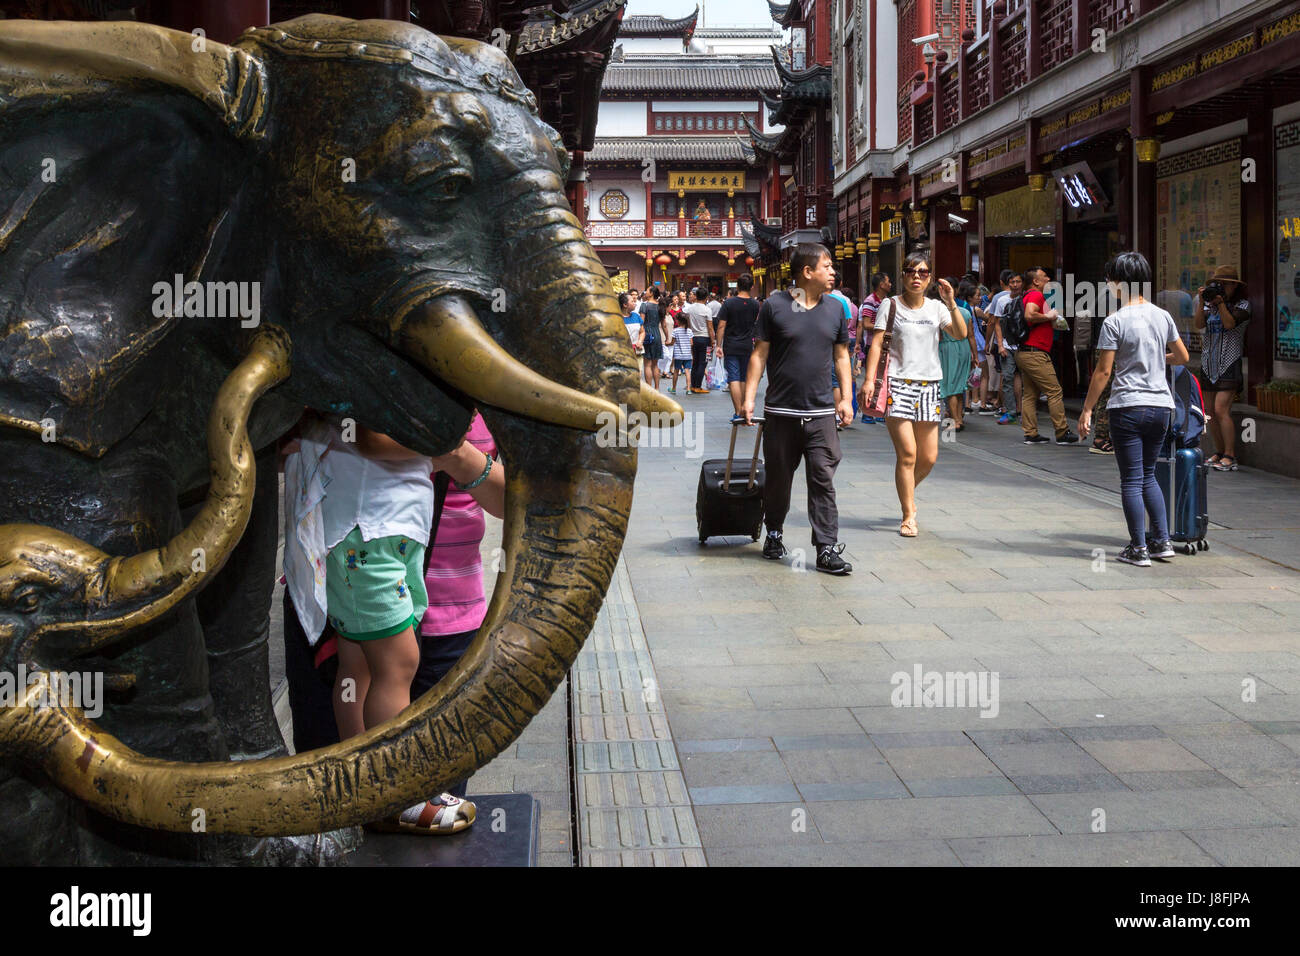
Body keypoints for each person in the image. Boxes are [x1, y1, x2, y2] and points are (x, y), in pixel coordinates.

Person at [319, 419, 475, 834]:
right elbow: (371, 438)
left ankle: (363, 788)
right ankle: (397, 795)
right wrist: (442, 441)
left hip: (378, 532)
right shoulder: (364, 368)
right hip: (370, 534)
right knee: (398, 664)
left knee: (359, 666)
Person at [743, 243, 854, 575]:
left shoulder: (836, 309)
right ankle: (774, 532)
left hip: (821, 413)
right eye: (828, 266)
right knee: (778, 480)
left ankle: (826, 548)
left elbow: (842, 357)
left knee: (822, 478)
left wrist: (845, 399)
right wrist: (749, 398)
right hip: (781, 412)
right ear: (807, 272)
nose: (833, 271)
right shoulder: (774, 307)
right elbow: (759, 355)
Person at [413, 410, 505, 801]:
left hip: (455, 616)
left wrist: (457, 456)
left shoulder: (490, 395)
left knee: (443, 789)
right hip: (360, 610)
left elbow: (513, 498)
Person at [1079, 252, 1191, 566]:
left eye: (1109, 279)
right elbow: (1181, 357)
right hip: (1160, 407)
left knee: (1130, 480)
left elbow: (1103, 372)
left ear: (1119, 283)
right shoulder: (1162, 315)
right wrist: (1157, 360)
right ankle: (1162, 542)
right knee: (1149, 476)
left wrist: (1087, 410)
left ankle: (1138, 548)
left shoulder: (1114, 321)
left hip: (1127, 406)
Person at [861, 251, 967, 537]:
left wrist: (951, 302)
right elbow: (876, 344)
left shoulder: (936, 308)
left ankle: (905, 489)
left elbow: (960, 333)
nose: (916, 277)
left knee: (929, 457)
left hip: (930, 386)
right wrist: (869, 380)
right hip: (898, 384)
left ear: (930, 277)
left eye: (922, 272)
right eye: (911, 271)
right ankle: (908, 514)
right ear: (903, 275)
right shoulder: (890, 305)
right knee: (908, 454)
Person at [1193, 264, 1250, 471]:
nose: (1222, 288)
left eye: (1226, 285)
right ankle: (1218, 451)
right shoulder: (1209, 307)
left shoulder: (1243, 306)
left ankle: (1230, 455)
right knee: (1209, 411)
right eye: (1219, 285)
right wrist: (1202, 302)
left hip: (1229, 362)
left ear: (1235, 286)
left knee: (1221, 409)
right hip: (1209, 363)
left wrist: (1222, 303)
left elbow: (1229, 324)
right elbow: (1199, 324)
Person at [1017, 266, 1079, 445]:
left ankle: (1031, 433)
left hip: (1026, 352)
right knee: (1054, 391)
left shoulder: (1026, 295)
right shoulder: (1036, 295)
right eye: (1045, 277)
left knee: (1029, 394)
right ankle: (1062, 432)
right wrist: (1050, 316)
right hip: (1035, 353)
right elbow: (1030, 315)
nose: (1048, 280)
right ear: (1036, 281)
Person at [715, 273, 761, 423]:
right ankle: (744, 409)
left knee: (733, 378)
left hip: (731, 344)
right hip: (748, 345)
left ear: (737, 286)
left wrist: (718, 345)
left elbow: (721, 326)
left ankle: (738, 411)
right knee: (743, 377)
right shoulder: (755, 304)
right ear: (752, 287)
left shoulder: (729, 303)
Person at [939, 278, 977, 431]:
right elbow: (971, 336)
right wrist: (975, 355)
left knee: (950, 387)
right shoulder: (966, 311)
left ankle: (955, 420)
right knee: (960, 385)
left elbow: (938, 336)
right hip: (964, 348)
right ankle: (959, 417)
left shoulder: (940, 312)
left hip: (948, 350)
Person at [987, 269, 1022, 425]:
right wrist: (1000, 345)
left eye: (1018, 282)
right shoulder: (1002, 301)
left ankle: (1023, 411)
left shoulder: (1028, 299)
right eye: (1012, 282)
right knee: (1007, 378)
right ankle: (1011, 411)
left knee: (1026, 380)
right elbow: (997, 324)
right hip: (1007, 346)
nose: (1015, 285)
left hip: (1024, 346)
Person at [857, 273, 891, 423]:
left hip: (884, 345)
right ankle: (867, 412)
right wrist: (883, 328)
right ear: (881, 284)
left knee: (882, 378)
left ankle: (878, 408)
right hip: (873, 344)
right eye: (888, 281)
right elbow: (865, 324)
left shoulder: (886, 301)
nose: (890, 284)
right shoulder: (870, 301)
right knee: (873, 378)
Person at [829, 284, 858, 429]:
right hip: (838, 344)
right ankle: (835, 415)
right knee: (835, 382)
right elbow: (847, 323)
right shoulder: (843, 300)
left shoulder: (807, 299)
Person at [684, 287, 714, 393]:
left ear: (696, 296)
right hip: (705, 339)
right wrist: (713, 341)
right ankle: (697, 386)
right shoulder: (707, 310)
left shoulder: (690, 308)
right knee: (703, 362)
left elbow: (686, 319)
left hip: (693, 337)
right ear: (706, 297)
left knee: (695, 362)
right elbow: (710, 327)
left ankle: (693, 385)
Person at [639, 287, 668, 390]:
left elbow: (641, 322)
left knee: (647, 364)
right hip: (657, 334)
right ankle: (657, 388)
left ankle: (649, 389)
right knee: (655, 364)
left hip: (647, 335)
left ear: (651, 293)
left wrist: (639, 336)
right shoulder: (660, 306)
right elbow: (664, 325)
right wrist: (667, 337)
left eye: (647, 291)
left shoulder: (644, 305)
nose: (645, 292)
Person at [669, 312, 693, 394]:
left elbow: (672, 342)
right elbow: (691, 343)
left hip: (678, 355)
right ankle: (688, 389)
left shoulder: (675, 331)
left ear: (678, 321)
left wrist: (667, 343)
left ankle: (674, 388)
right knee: (687, 371)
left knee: (676, 371)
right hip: (687, 355)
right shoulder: (689, 331)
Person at [619, 291, 643, 357]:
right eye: (632, 301)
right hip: (623, 354)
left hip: (637, 352)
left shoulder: (636, 316)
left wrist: (640, 341)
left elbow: (642, 332)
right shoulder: (617, 318)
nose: (634, 303)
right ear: (625, 305)